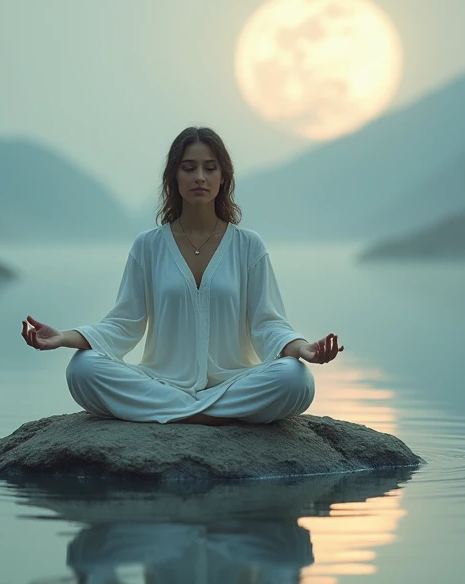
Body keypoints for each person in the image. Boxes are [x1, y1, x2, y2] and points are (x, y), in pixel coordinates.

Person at [21, 126, 343, 425]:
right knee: (82, 368)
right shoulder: (148, 246)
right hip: (161, 383)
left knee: (295, 379)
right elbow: (123, 324)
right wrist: (64, 337)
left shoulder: (249, 246)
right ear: (173, 177)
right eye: (189, 168)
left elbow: (268, 324)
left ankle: (176, 415)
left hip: (233, 383)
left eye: (209, 168)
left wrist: (303, 350)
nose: (199, 177)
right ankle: (212, 417)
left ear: (223, 178)